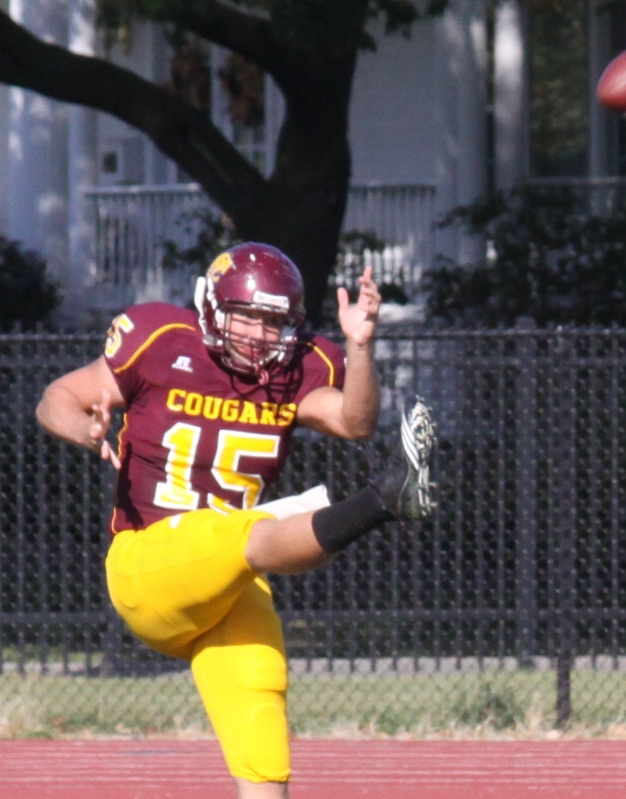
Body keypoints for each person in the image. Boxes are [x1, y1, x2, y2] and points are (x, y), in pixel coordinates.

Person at [35, 242, 435, 799]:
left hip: (233, 580)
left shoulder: (297, 369)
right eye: (247, 316)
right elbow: (56, 397)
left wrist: (361, 347)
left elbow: (355, 421)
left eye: (274, 321)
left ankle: (385, 500)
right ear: (212, 306)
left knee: (262, 729)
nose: (260, 334)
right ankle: (382, 501)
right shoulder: (159, 338)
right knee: (245, 532)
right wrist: (84, 428)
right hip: (148, 564)